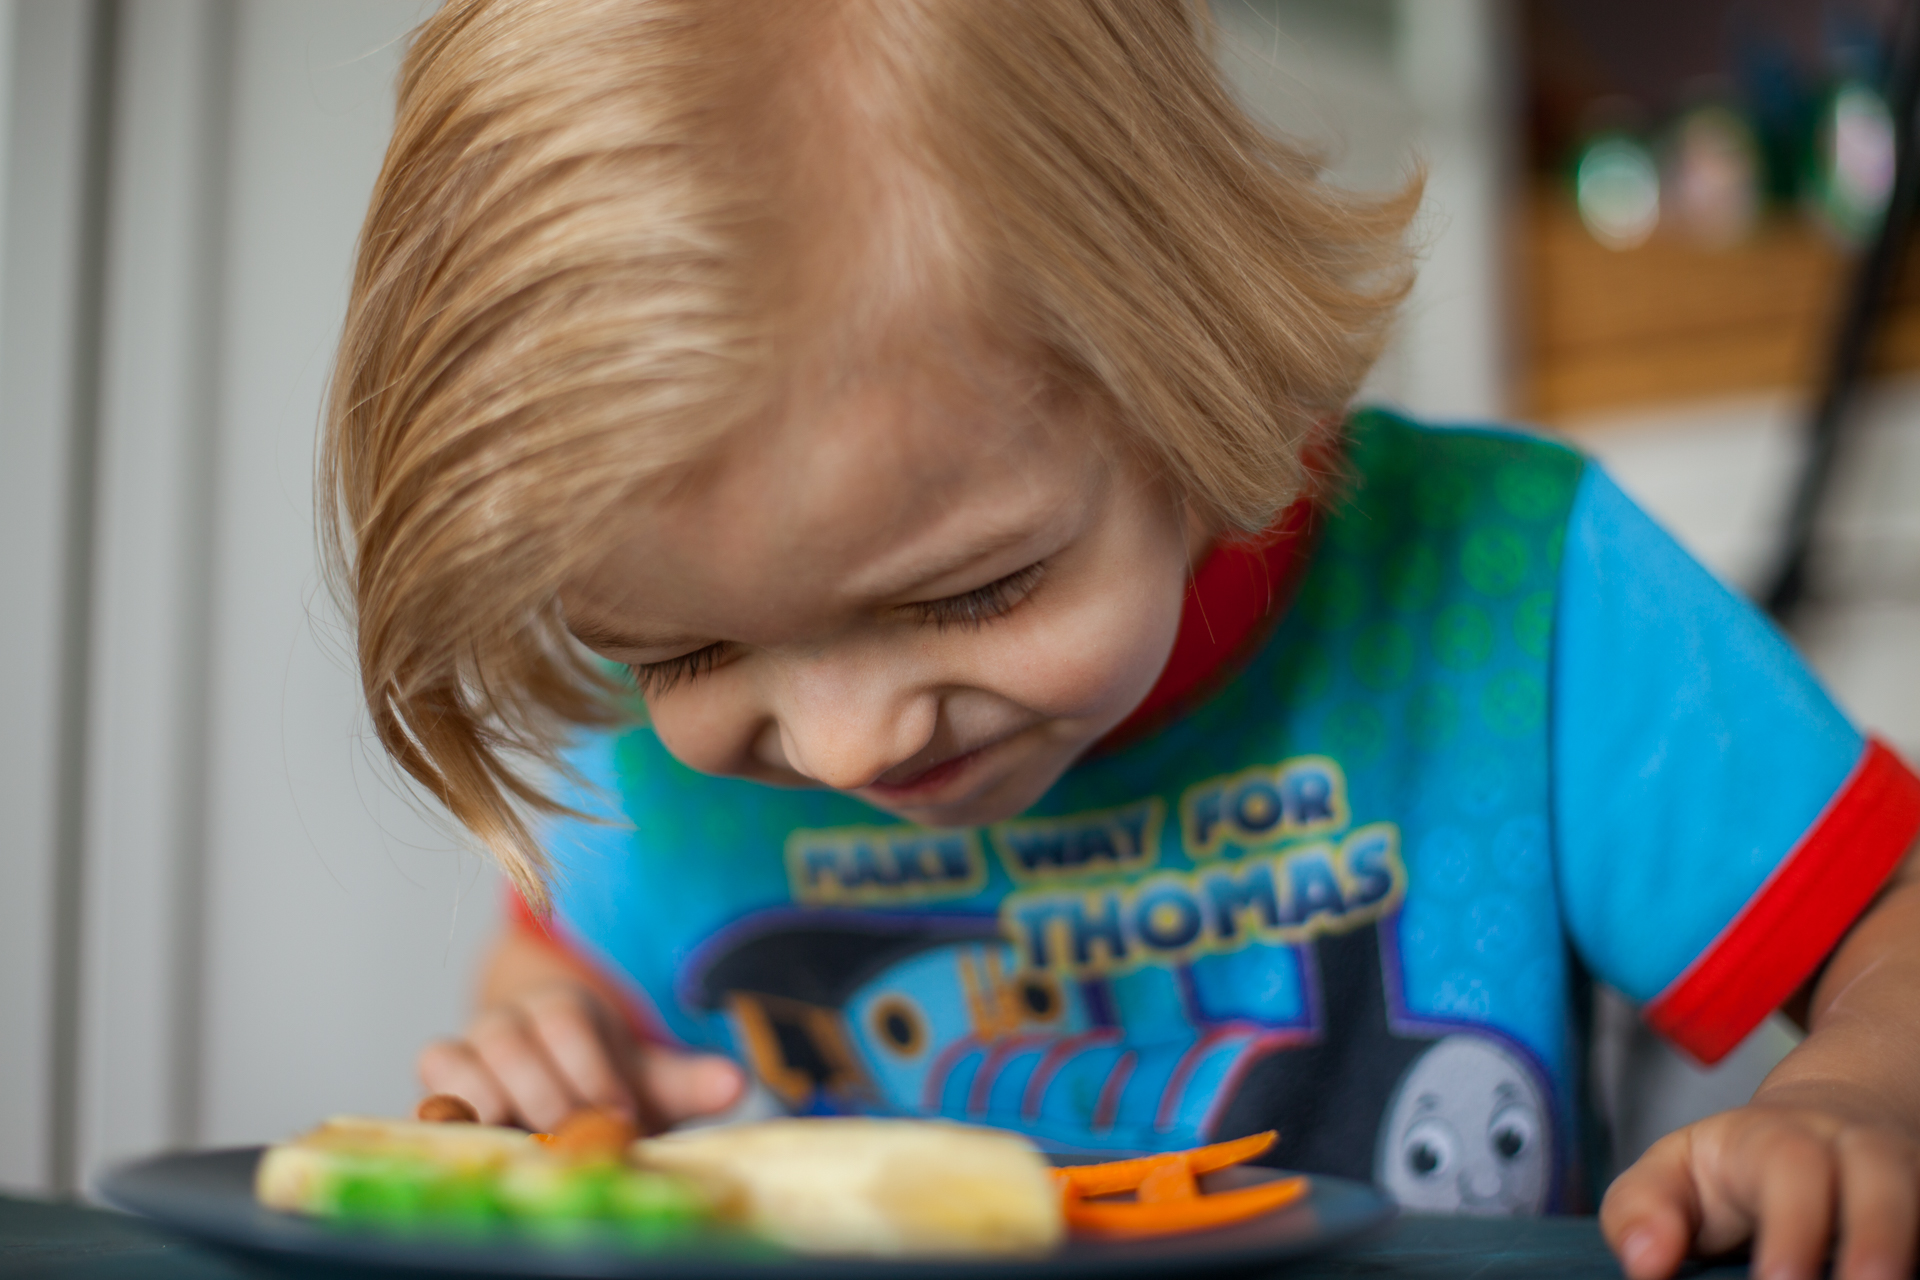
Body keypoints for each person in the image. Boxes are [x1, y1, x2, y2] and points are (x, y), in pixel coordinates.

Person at [321, 2, 1920, 1277]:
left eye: (971, 592)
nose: (849, 743)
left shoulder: (1510, 594)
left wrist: (1863, 1095)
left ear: (1194, 359)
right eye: (688, 659)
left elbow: (1887, 921)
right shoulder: (679, 744)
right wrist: (549, 1047)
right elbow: (568, 959)